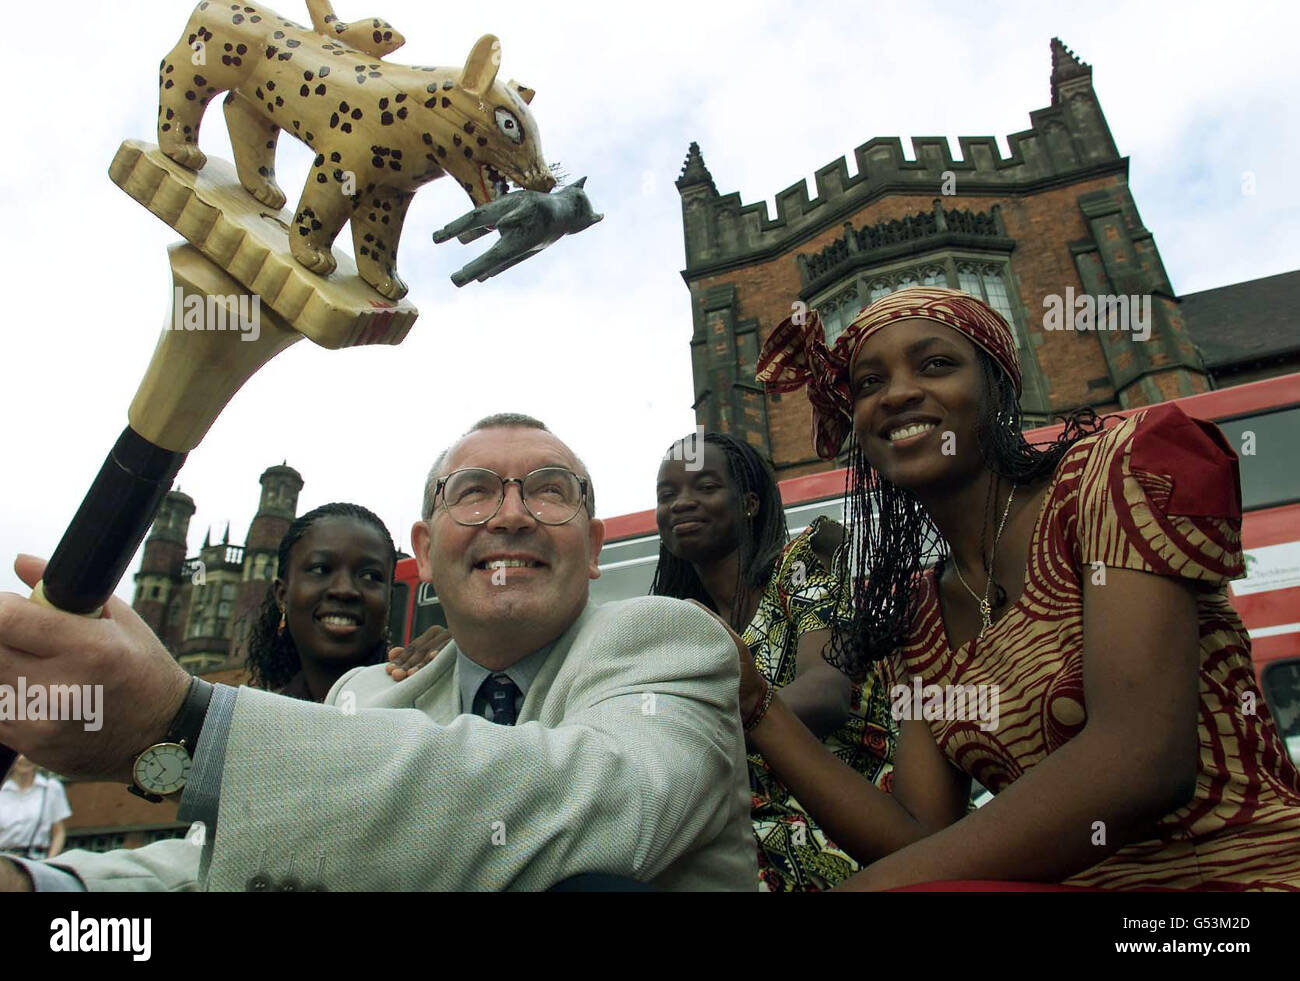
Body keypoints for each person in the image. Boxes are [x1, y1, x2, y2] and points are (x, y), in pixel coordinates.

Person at [0, 413, 756, 891]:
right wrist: (48, 884)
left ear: (593, 549)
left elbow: (605, 811)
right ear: (424, 554)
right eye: (473, 491)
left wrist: (183, 726)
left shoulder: (668, 639)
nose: (513, 516)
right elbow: (233, 858)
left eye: (551, 492)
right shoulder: (369, 694)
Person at [742, 285, 1300, 890]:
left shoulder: (1113, 477)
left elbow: (1142, 762)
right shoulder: (918, 619)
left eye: (936, 364)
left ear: (998, 389)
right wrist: (757, 707)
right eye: (870, 383)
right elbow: (918, 840)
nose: (897, 394)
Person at [653, 430, 894, 890]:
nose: (681, 503)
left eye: (705, 487)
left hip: (852, 827)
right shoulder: (677, 628)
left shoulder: (804, 564)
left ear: (749, 503)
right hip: (746, 838)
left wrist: (699, 743)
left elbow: (826, 693)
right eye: (667, 494)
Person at [244, 502, 401, 702]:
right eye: (320, 570)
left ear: (389, 599)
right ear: (283, 595)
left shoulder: (429, 709)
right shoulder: (254, 721)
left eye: (370, 576)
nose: (344, 590)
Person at [0, 755, 71, 861]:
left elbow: (58, 832)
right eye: (18, 754)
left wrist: (50, 861)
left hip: (38, 862)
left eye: (27, 754)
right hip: (4, 862)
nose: (23, 758)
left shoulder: (51, 788)